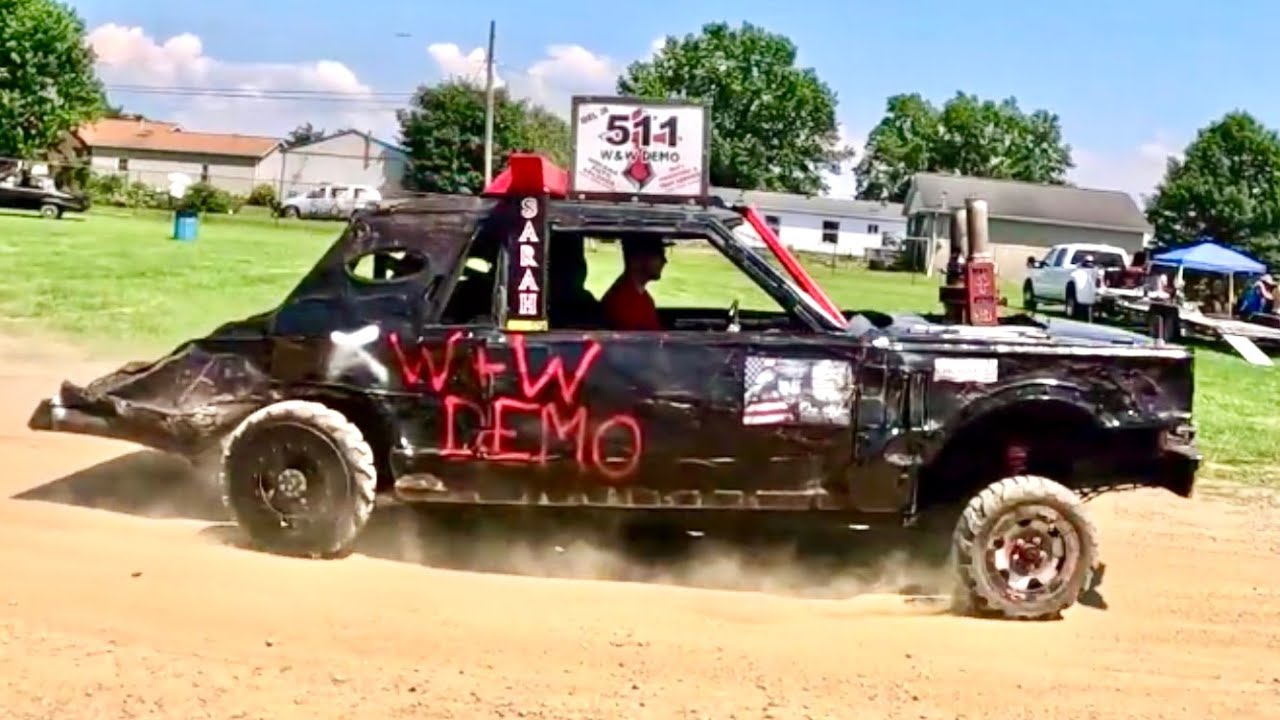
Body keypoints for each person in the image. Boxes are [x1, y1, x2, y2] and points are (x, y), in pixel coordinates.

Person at [600, 233, 670, 331]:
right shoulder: (623, 304)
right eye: (659, 255)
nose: (664, 261)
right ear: (637, 258)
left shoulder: (641, 297)